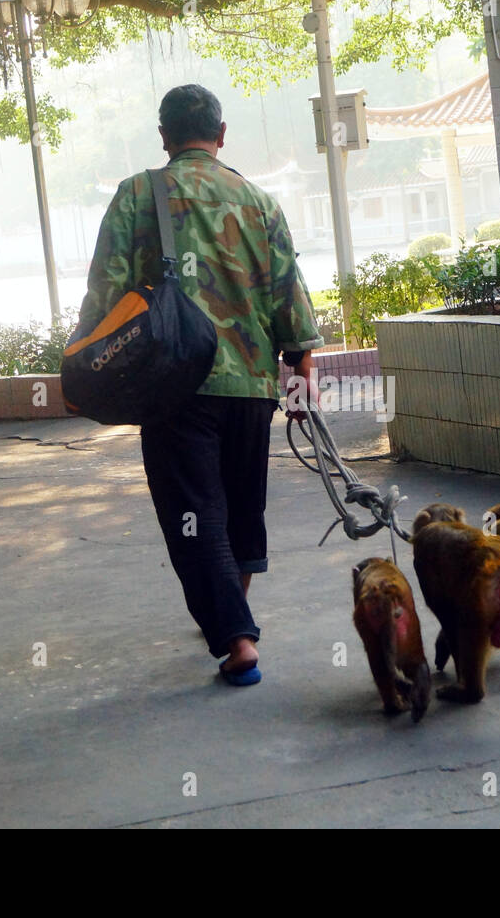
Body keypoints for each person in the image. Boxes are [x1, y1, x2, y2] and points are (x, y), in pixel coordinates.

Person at [79, 84, 323, 686]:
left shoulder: (138, 194)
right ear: (220, 134)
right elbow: (288, 291)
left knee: (194, 512)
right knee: (241, 504)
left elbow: (106, 289)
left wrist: (85, 363)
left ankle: (238, 643)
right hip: (253, 381)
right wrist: (302, 374)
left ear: (164, 137)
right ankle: (232, 610)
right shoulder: (259, 200)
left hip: (174, 384)